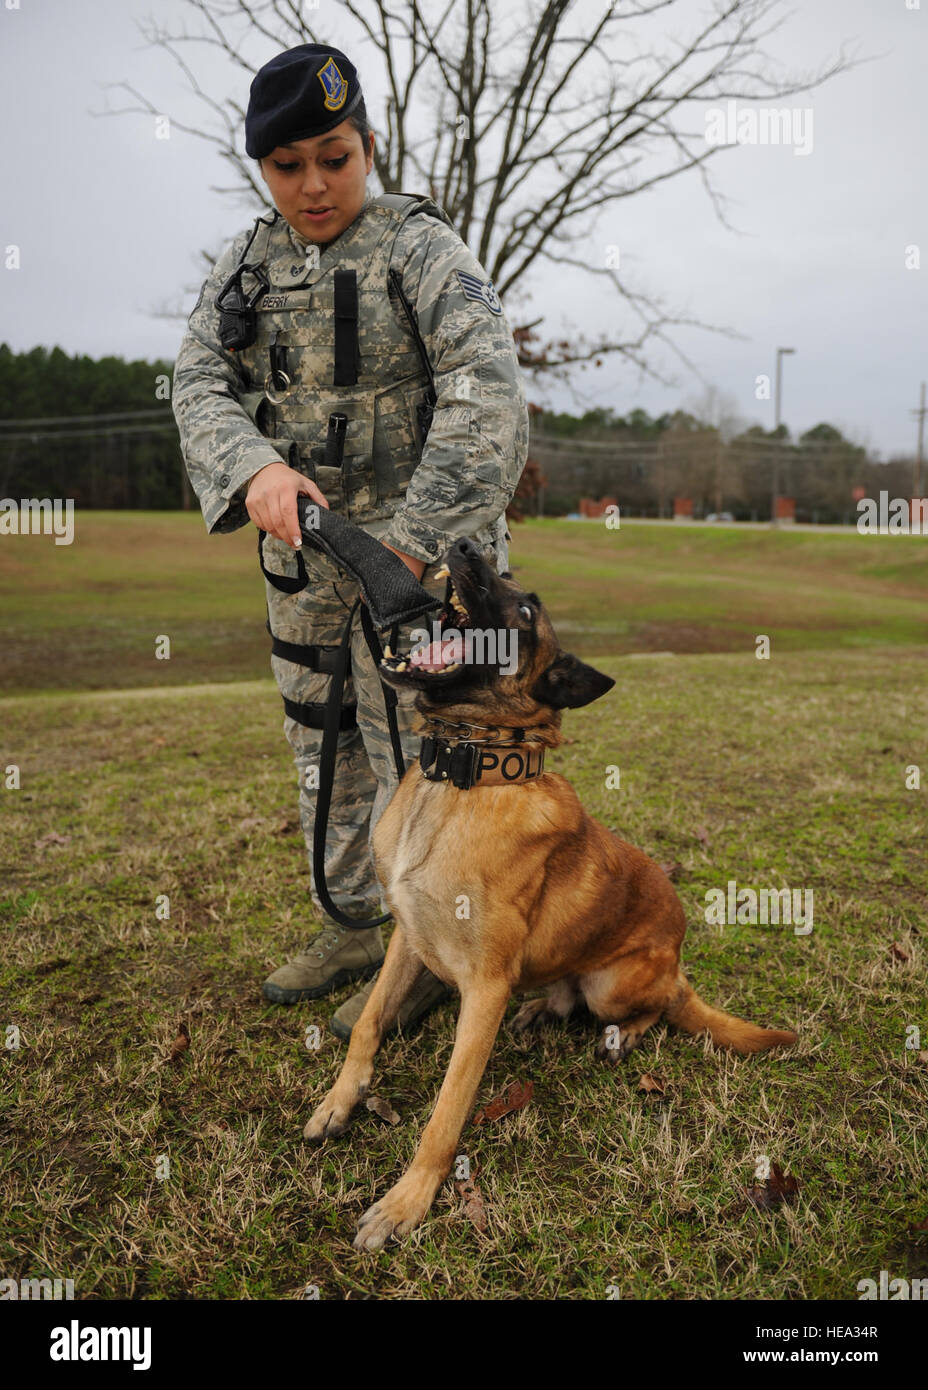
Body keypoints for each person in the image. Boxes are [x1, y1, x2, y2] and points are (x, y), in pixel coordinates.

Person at [172, 42, 528, 1038]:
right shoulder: (246, 265)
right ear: (262, 169)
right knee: (321, 747)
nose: (314, 184)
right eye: (287, 166)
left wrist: (410, 547)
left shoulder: (421, 250)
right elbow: (197, 383)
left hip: (428, 575)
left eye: (334, 155)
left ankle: (441, 956)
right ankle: (351, 925)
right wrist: (255, 468)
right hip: (305, 574)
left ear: (367, 145)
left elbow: (487, 400)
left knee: (438, 759)